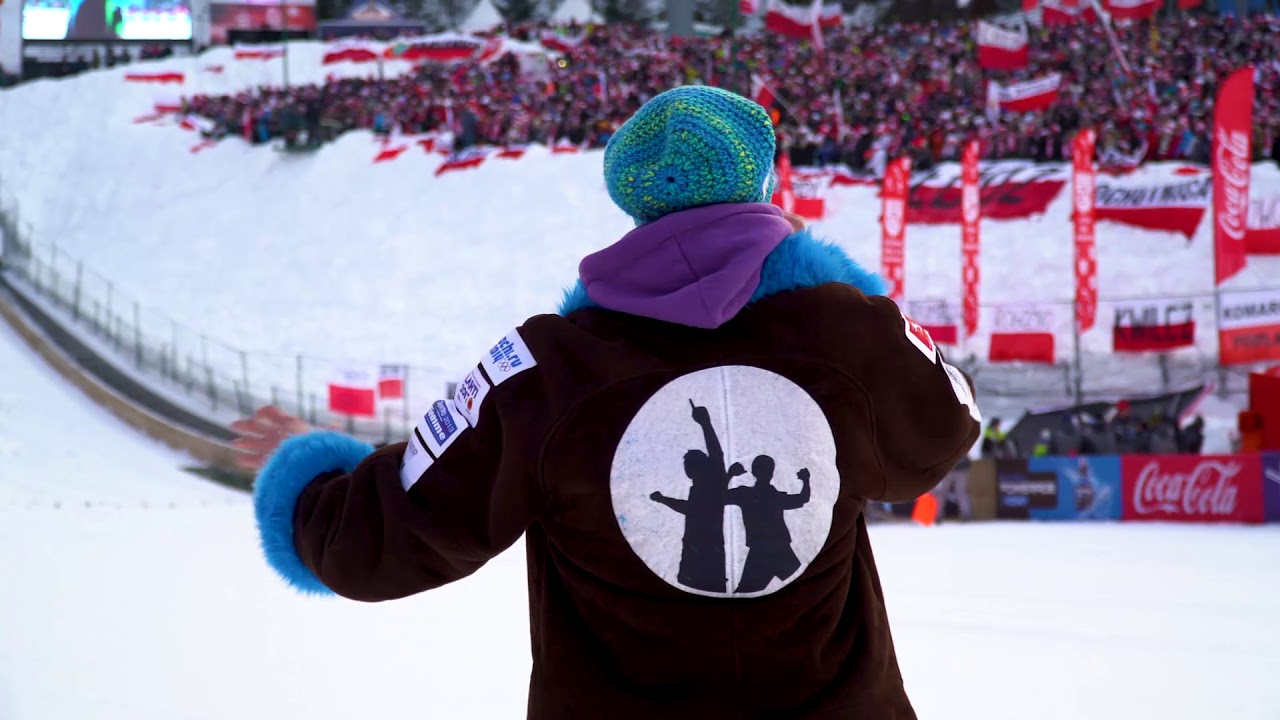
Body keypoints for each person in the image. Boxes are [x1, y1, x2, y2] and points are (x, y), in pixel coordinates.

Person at [235, 86, 981, 719]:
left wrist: (308, 480)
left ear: (636, 203)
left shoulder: (546, 370)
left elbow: (380, 539)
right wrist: (847, 297)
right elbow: (947, 424)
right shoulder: (848, 338)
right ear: (762, 187)